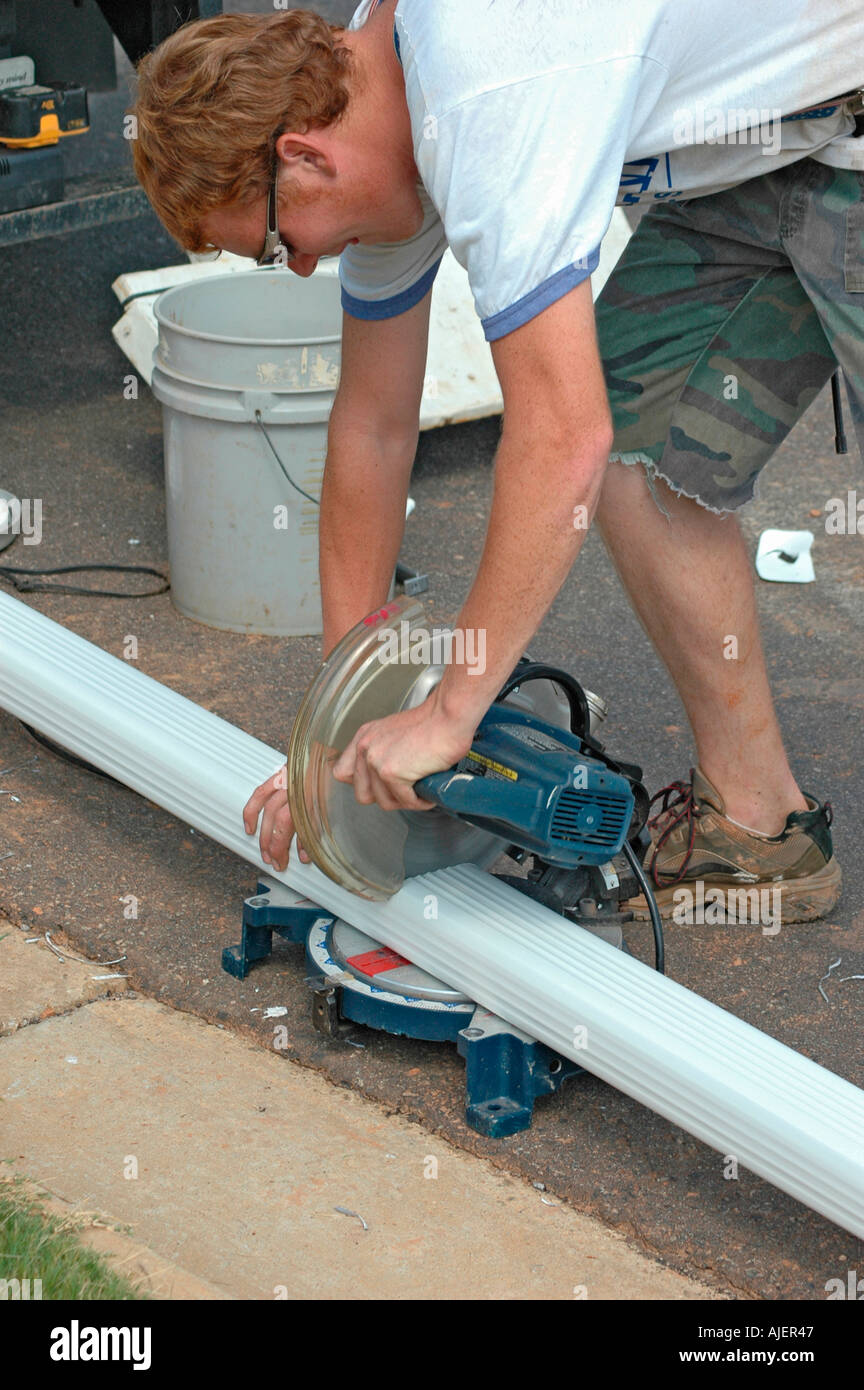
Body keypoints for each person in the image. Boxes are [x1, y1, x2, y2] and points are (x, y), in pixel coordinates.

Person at [131, 0, 863, 922]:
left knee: (593, 439)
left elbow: (562, 437)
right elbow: (372, 428)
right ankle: (761, 832)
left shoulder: (484, 94)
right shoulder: (370, 70)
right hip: (772, 144)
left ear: (304, 156)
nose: (307, 269)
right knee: (647, 452)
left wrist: (450, 712)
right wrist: (343, 732)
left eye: (280, 245)